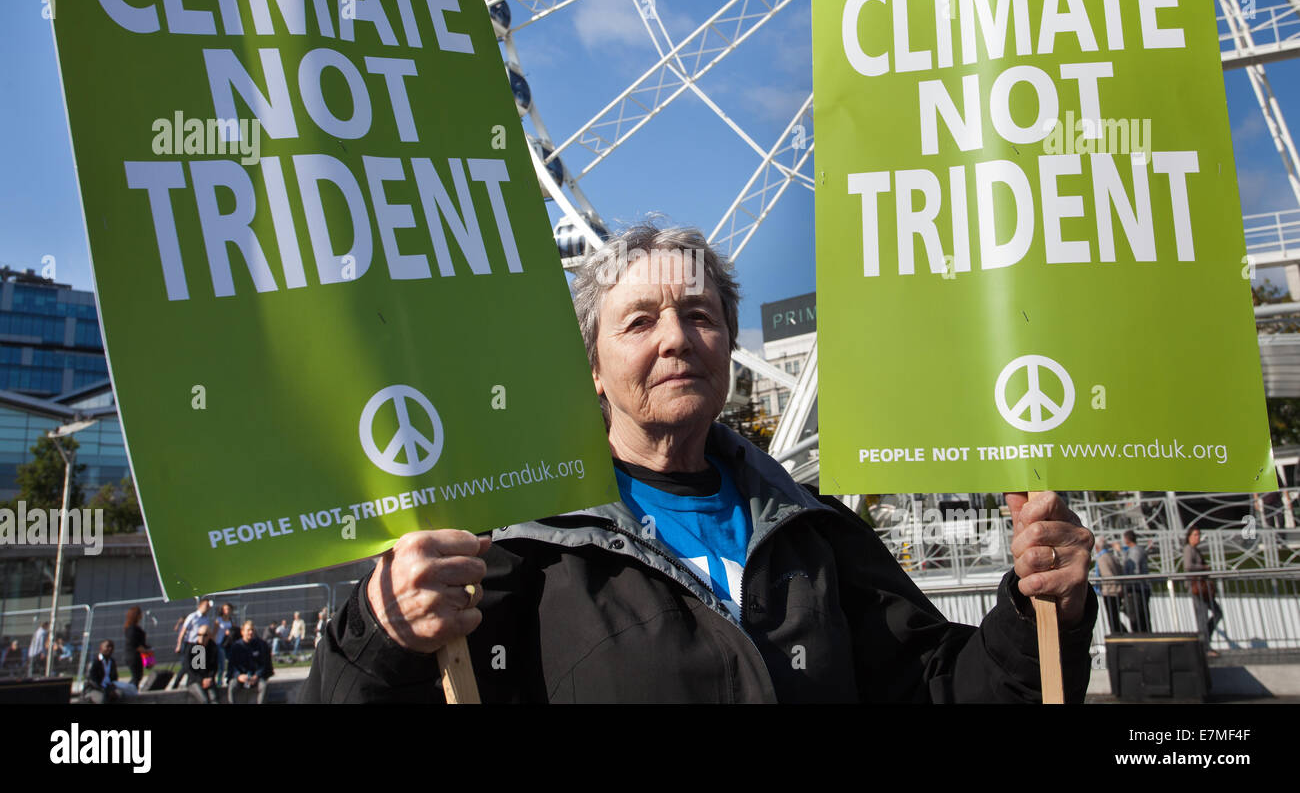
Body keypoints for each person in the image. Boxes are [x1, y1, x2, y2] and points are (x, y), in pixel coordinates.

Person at [304, 224, 1097, 703]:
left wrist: (1040, 611)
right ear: (591, 367)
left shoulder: (818, 534)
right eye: (639, 322)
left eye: (699, 315)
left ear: (729, 346)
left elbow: (938, 687)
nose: (676, 339)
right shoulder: (517, 548)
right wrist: (381, 633)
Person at [1183, 526, 1224, 657]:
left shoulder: (1195, 549)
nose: (1198, 537)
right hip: (1197, 588)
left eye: (1199, 535)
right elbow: (1188, 566)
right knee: (1202, 617)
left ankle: (1205, 640)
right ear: (1189, 537)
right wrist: (1203, 567)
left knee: (1217, 613)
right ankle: (1204, 647)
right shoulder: (1188, 549)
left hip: (1203, 588)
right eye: (1195, 535)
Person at [228, 620, 273, 703]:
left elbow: (263, 664)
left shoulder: (259, 645)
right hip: (241, 677)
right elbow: (232, 665)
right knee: (232, 685)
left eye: (252, 630)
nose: (251, 632)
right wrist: (238, 676)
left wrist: (256, 676)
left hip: (255, 677)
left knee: (263, 686)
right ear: (242, 632)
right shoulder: (236, 646)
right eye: (248, 630)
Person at [173, 598, 211, 688]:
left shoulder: (206, 618)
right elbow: (183, 630)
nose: (208, 608)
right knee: (186, 666)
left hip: (200, 645)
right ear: (200, 606)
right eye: (206, 605)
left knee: (197, 666)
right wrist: (179, 644)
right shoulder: (193, 616)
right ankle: (175, 684)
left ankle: (192, 684)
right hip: (190, 643)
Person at [1122, 530, 1152, 633]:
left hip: (1137, 588)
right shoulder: (1137, 550)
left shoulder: (1135, 551)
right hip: (1140, 587)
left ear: (1127, 539)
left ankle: (1141, 636)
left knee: (1138, 617)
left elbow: (1134, 570)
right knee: (1141, 616)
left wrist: (1129, 586)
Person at [1095, 537, 1126, 633]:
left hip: (1109, 591)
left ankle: (1118, 635)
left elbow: (1100, 575)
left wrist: (1097, 590)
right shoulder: (1112, 556)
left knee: (1112, 617)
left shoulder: (1101, 559)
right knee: (1115, 616)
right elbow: (1120, 571)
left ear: (1097, 547)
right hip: (1117, 590)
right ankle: (1121, 633)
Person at [186, 624, 221, 703]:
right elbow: (189, 669)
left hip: (208, 680)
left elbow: (214, 667)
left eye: (204, 635)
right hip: (194, 681)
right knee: (204, 700)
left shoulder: (213, 647)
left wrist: (209, 678)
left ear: (209, 636)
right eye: (199, 635)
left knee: (214, 698)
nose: (201, 637)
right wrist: (201, 680)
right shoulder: (192, 648)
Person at [123, 606, 150, 688]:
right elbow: (133, 643)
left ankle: (131, 689)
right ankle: (130, 690)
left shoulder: (135, 627)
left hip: (138, 655)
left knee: (138, 676)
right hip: (133, 656)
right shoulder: (132, 628)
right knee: (136, 676)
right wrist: (144, 650)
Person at [213, 603, 234, 687]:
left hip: (228, 643)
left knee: (231, 662)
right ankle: (219, 681)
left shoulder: (231, 620)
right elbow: (214, 632)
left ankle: (229, 678)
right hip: (220, 643)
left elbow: (234, 630)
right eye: (225, 609)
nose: (227, 611)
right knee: (221, 664)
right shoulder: (218, 620)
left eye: (228, 609)